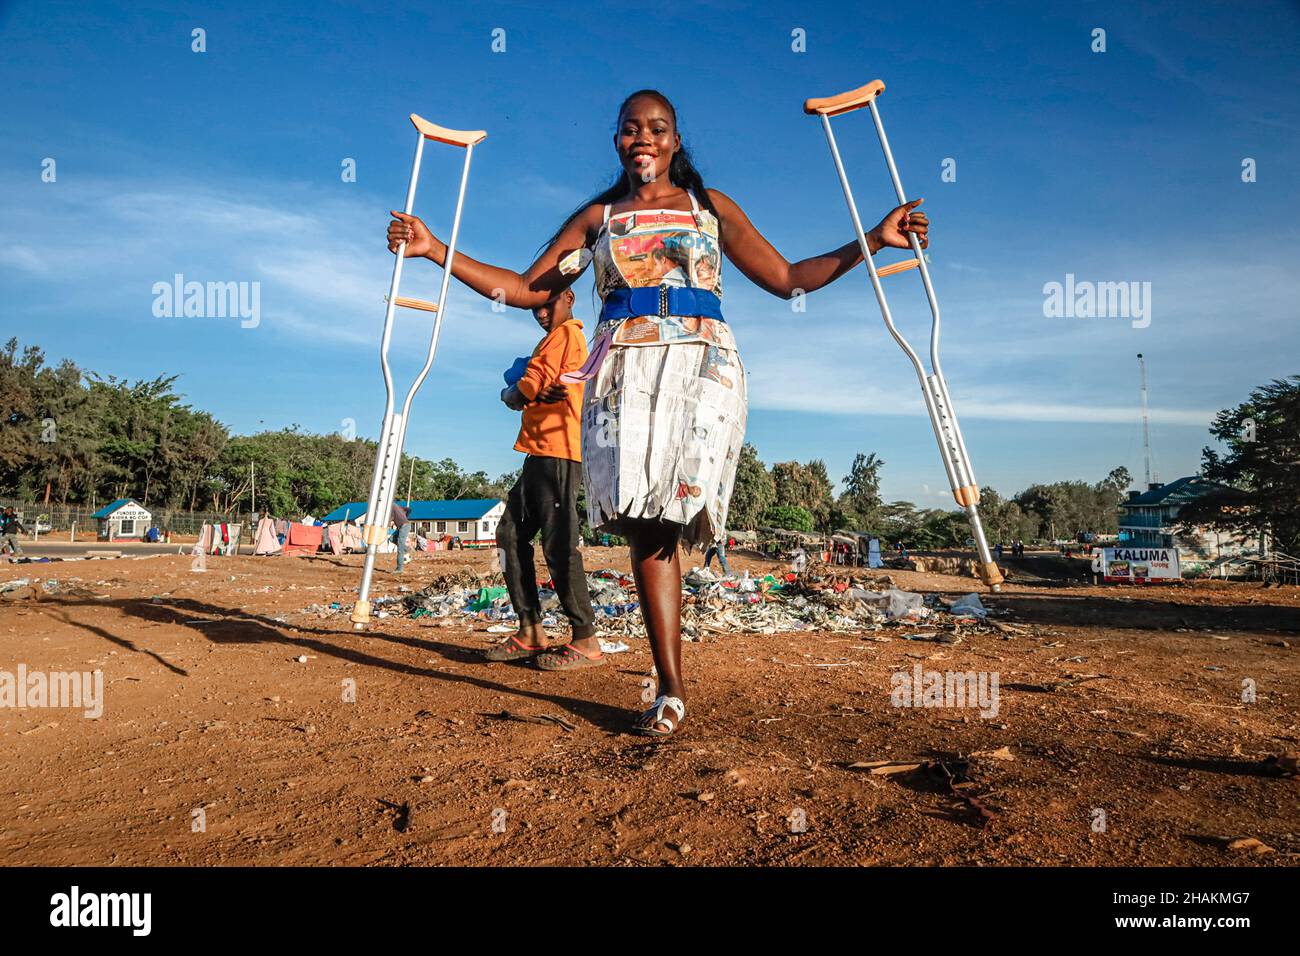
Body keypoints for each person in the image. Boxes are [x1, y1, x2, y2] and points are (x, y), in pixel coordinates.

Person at [387, 90, 927, 737]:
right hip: (626, 373)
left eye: (657, 128)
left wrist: (875, 238)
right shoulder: (599, 219)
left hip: (703, 366)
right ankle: (670, 689)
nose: (643, 138)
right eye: (629, 129)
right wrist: (434, 248)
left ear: (674, 140)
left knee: (680, 510)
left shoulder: (709, 209)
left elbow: (787, 278)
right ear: (618, 140)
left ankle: (666, 673)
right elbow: (528, 289)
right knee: (647, 526)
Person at [485, 288, 601, 670]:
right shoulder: (554, 340)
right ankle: (531, 630)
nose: (539, 314)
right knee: (509, 534)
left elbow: (524, 389)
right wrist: (522, 392)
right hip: (541, 453)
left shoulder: (565, 335)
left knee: (559, 544)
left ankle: (586, 639)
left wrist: (512, 391)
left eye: (546, 305)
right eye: (534, 308)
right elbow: (532, 389)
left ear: (569, 297)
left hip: (559, 453)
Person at [391, 501, 411, 572]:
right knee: (392, 538)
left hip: (404, 526)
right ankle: (407, 549)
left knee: (400, 548)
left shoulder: (390, 507)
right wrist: (406, 515)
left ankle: (399, 568)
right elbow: (409, 509)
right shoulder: (397, 506)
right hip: (401, 526)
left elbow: (389, 519)